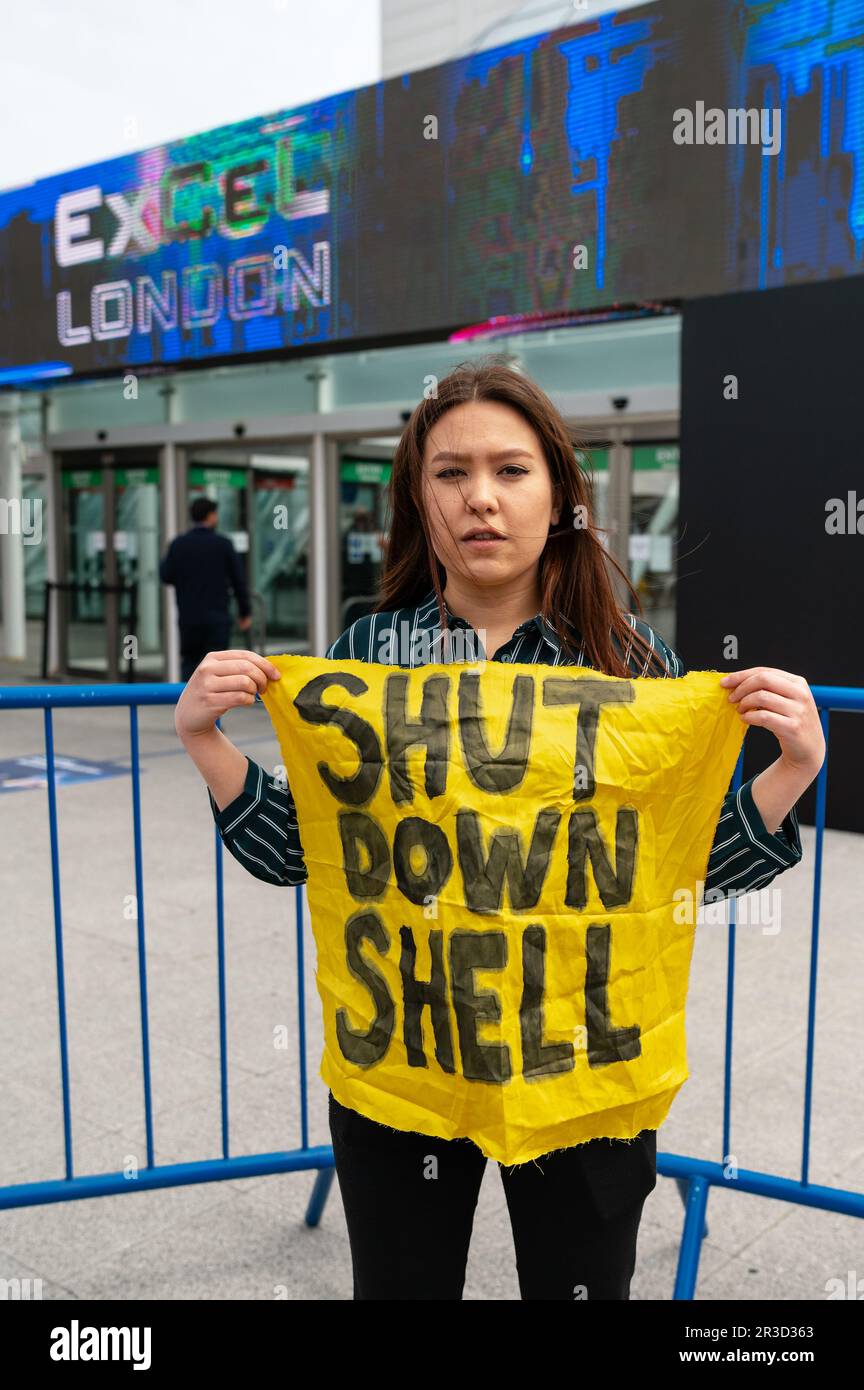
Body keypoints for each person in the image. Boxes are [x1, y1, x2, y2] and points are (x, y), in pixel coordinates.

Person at [172, 360, 824, 1300]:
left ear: (561, 494)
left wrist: (791, 769)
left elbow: (688, 872)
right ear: (418, 495)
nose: (480, 499)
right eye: (450, 473)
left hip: (583, 1073)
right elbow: (306, 855)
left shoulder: (634, 668)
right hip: (404, 1066)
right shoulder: (366, 656)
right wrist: (207, 744)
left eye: (512, 471)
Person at [159, 496, 252, 681]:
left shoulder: (179, 544)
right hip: (217, 617)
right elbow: (238, 581)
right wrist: (245, 612)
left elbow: (165, 575)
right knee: (218, 665)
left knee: (190, 662)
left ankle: (186, 704)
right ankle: (215, 707)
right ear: (210, 516)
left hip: (189, 617)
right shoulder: (223, 544)